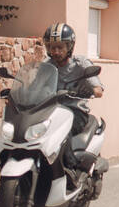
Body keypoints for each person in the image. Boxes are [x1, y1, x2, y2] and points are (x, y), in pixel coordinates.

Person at [42, 23, 104, 184]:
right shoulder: (47, 65)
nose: (55, 51)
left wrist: (93, 90)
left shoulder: (80, 63)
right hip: (51, 110)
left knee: (61, 129)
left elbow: (98, 88)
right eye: (51, 47)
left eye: (60, 47)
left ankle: (70, 168)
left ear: (69, 47)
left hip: (76, 111)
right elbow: (35, 83)